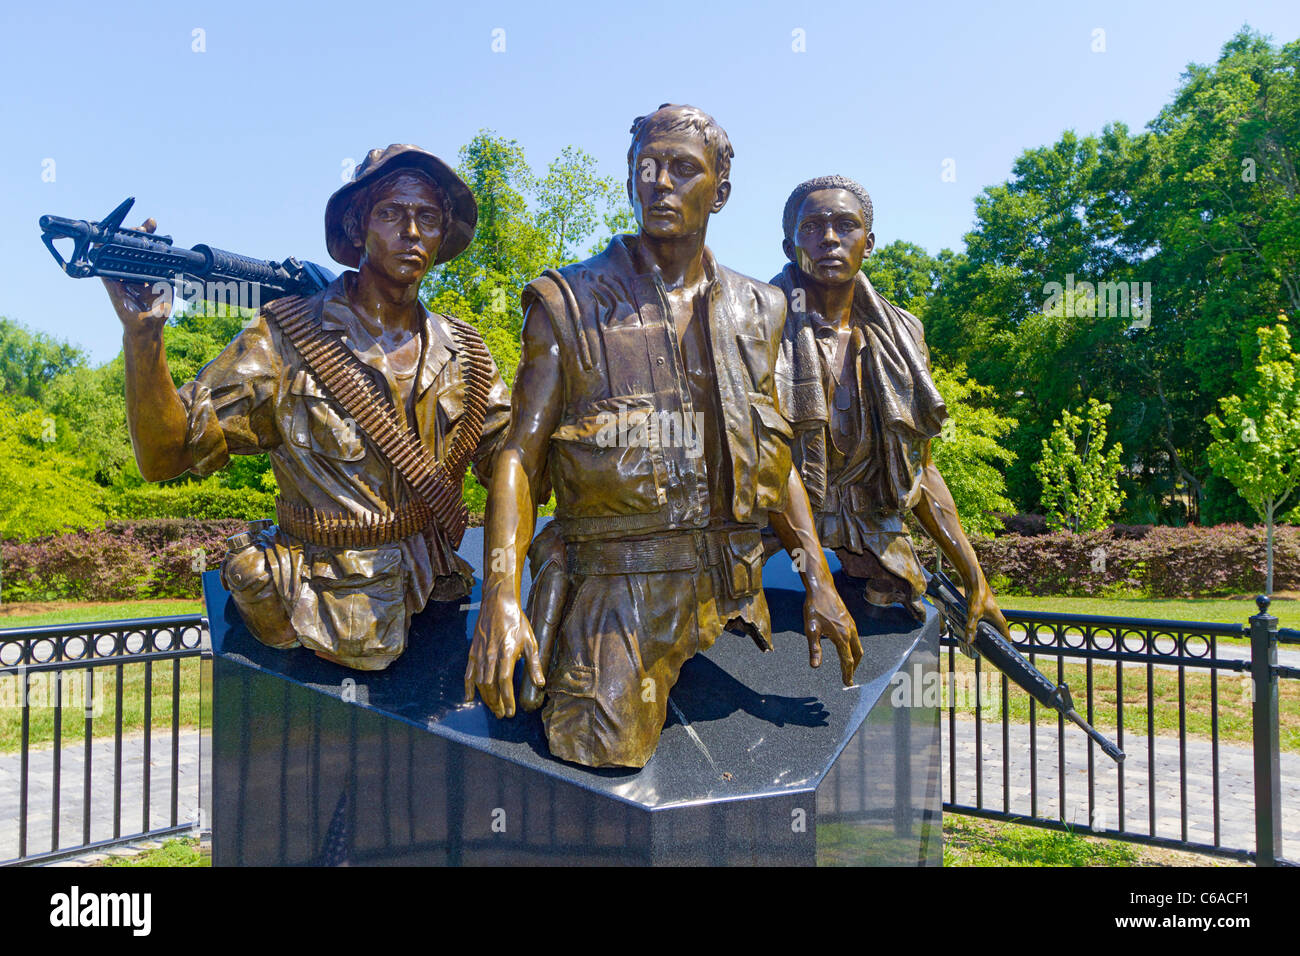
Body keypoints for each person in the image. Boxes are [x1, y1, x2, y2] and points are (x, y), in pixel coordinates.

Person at [465, 106, 862, 769]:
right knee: (599, 752)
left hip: (731, 590)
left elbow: (775, 457)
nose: (659, 182)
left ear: (721, 191)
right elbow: (517, 458)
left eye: (683, 168)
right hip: (619, 583)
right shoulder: (568, 301)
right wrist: (500, 599)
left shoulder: (760, 308)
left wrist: (818, 579)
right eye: (645, 168)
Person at [104, 145, 511, 670]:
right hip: (325, 596)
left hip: (437, 580)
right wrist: (144, 340)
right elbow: (164, 458)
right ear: (357, 226)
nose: (411, 231)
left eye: (427, 217)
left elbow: (519, 463)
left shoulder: (467, 351)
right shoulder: (285, 338)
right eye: (391, 213)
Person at [770, 175, 1010, 644]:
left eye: (845, 225)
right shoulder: (755, 324)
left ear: (870, 242)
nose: (830, 238)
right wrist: (816, 579)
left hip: (872, 535)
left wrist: (973, 576)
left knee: (897, 597)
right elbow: (761, 461)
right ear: (789, 244)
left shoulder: (902, 335)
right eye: (813, 227)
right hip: (771, 537)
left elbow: (920, 469)